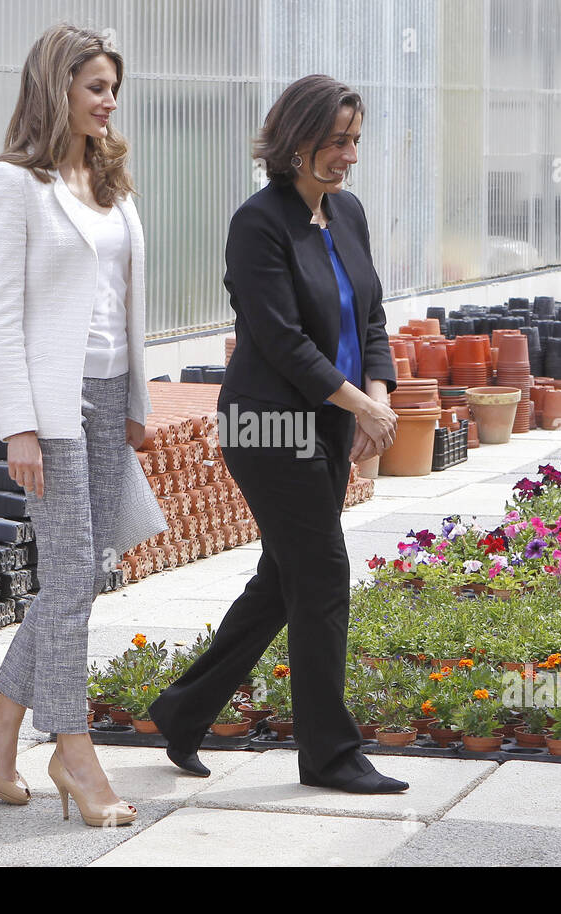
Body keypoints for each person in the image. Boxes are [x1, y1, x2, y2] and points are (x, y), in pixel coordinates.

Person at [148, 75, 407, 794]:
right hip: (270, 426)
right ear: (297, 144)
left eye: (356, 140)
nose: (352, 155)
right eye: (339, 141)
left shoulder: (346, 214)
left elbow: (371, 319)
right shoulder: (258, 223)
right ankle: (329, 754)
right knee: (322, 575)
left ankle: (181, 710)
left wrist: (374, 399)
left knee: (282, 581)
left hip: (327, 421)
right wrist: (360, 404)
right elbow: (284, 342)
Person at [0, 23, 165, 825]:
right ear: (57, 88)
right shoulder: (13, 183)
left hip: (109, 389)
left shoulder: (111, 180)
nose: (108, 100)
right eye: (94, 86)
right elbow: (4, 314)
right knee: (75, 571)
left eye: (113, 87)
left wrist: (135, 406)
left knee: (84, 572)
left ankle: (0, 717)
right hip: (52, 407)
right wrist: (18, 424)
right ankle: (74, 749)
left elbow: (123, 303)